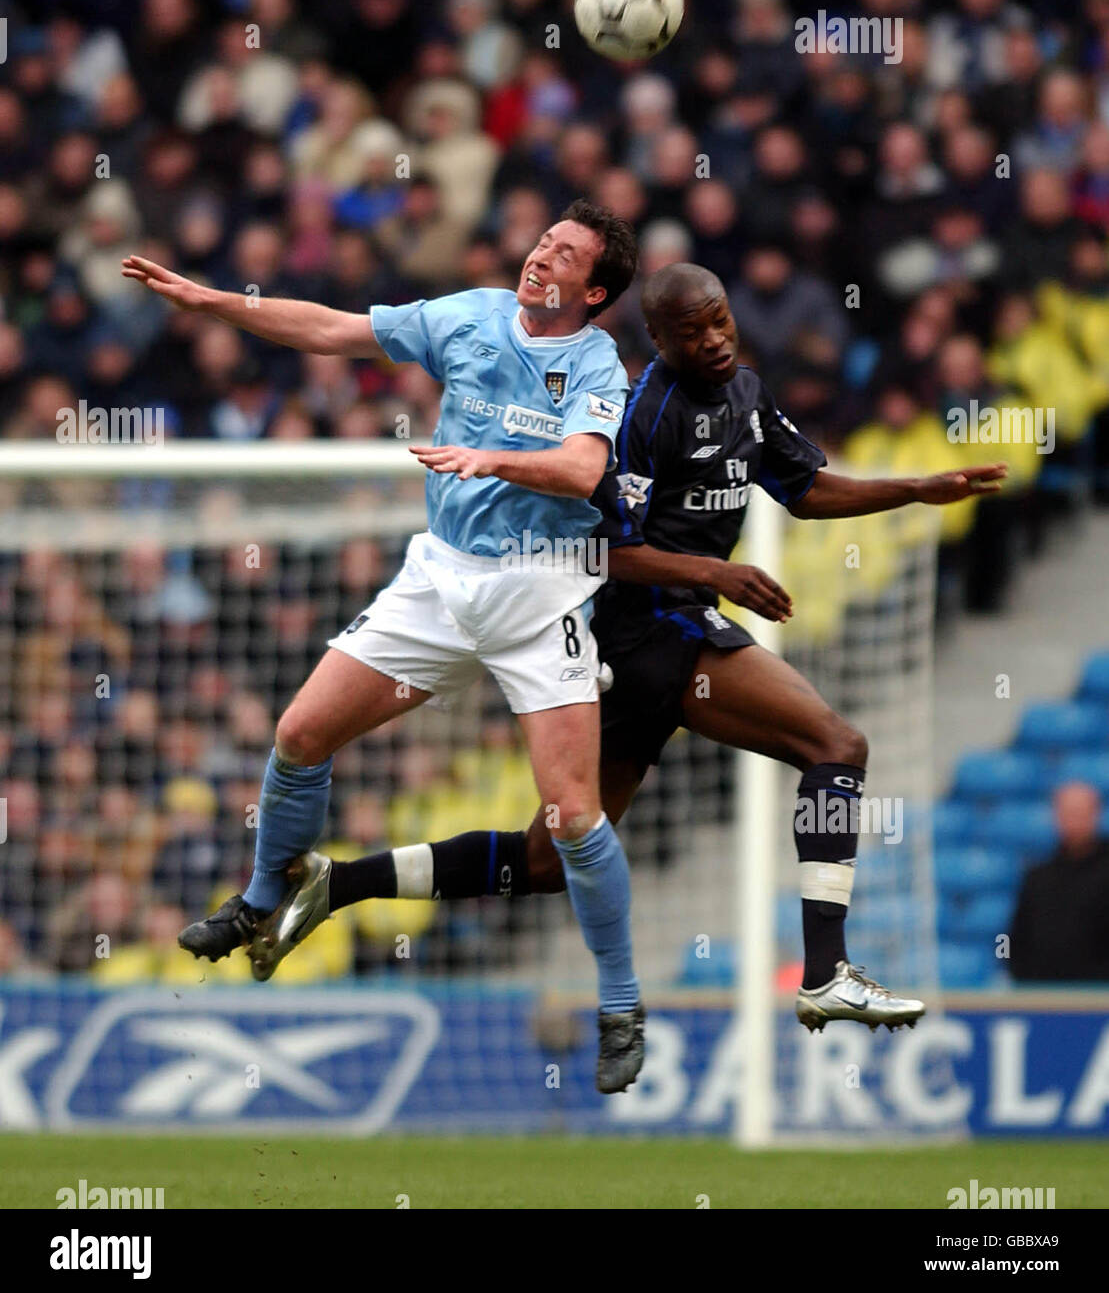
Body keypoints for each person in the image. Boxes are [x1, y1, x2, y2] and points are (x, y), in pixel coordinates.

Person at [266, 262, 1009, 1033]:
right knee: (834, 743)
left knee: (547, 860)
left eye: (720, 320)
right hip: (643, 626)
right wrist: (715, 572)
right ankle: (825, 973)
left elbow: (807, 488)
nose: (715, 339)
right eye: (693, 332)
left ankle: (339, 884)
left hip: (662, 637)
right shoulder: (638, 417)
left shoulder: (746, 396)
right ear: (658, 339)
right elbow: (604, 553)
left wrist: (915, 489)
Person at [121, 200, 649, 1093]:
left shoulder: (595, 361)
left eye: (565, 256)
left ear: (592, 291)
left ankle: (622, 1005)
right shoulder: (470, 315)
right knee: (298, 734)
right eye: (544, 241)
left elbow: (582, 469)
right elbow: (332, 329)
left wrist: (494, 461)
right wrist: (217, 303)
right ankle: (259, 903)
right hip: (439, 581)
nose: (541, 256)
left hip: (539, 589)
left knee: (571, 816)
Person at [1009, 781, 1109, 982]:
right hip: (1044, 995)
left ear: (1096, 813)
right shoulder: (1037, 877)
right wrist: (1011, 966)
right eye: (1067, 813)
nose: (1073, 821)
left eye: (1080, 813)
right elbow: (1011, 940)